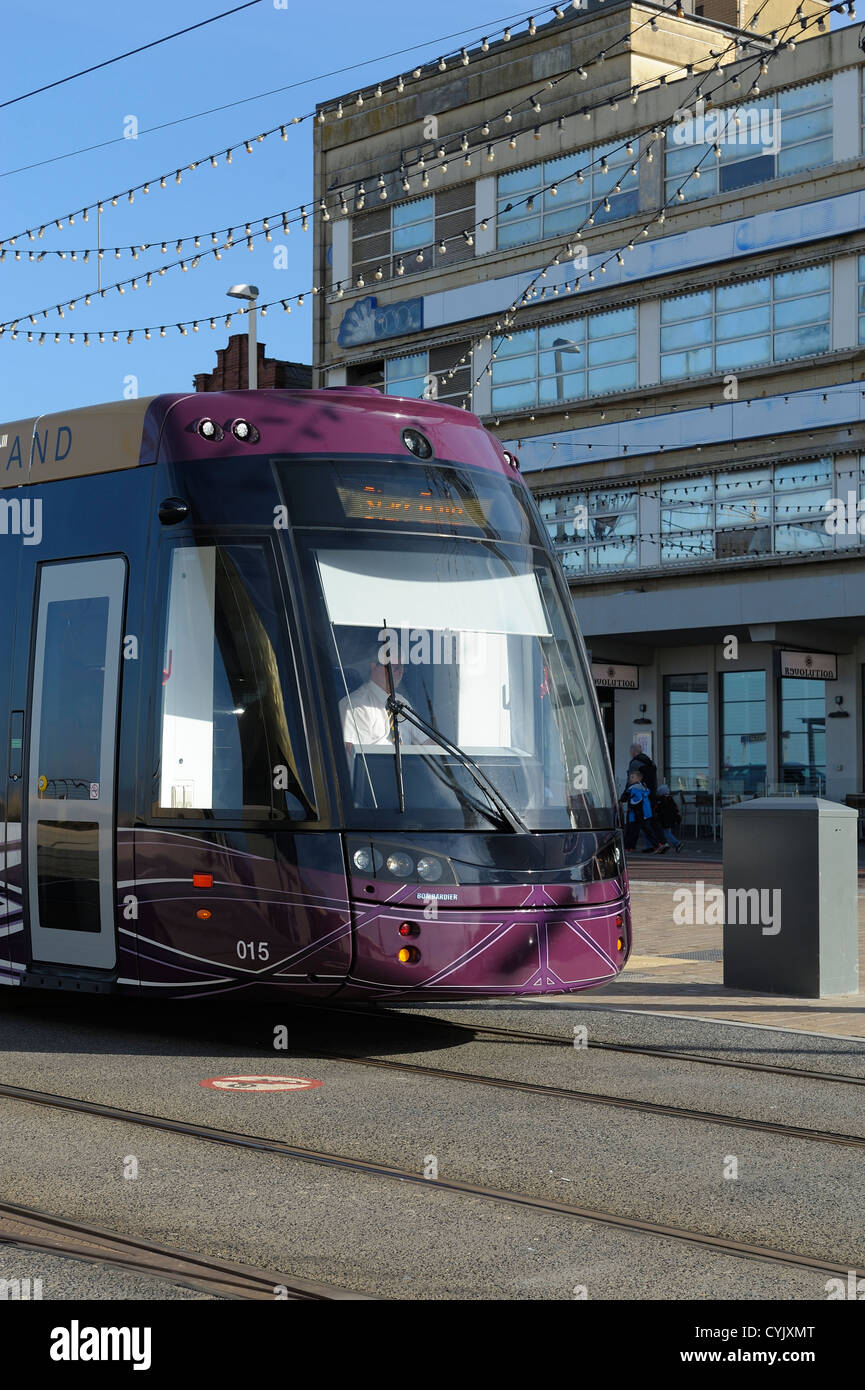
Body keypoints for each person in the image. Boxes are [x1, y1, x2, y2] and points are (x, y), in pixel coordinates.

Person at [339, 649, 430, 753]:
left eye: (401, 667)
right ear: (373, 667)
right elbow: (351, 755)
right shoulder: (354, 706)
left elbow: (426, 742)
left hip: (405, 767)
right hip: (375, 768)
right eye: (393, 667)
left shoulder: (401, 702)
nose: (399, 671)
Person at [623, 771, 666, 853]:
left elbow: (624, 798)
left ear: (638, 778)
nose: (630, 779)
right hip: (645, 813)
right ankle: (658, 845)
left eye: (632, 777)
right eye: (630, 777)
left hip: (636, 813)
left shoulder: (633, 788)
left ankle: (629, 847)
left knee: (632, 831)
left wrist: (622, 800)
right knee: (645, 830)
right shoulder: (644, 787)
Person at [654, 783, 684, 853]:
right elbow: (675, 810)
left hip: (664, 820)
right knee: (667, 832)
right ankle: (667, 845)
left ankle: (677, 843)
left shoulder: (661, 800)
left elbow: (659, 810)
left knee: (665, 833)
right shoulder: (670, 799)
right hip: (670, 819)